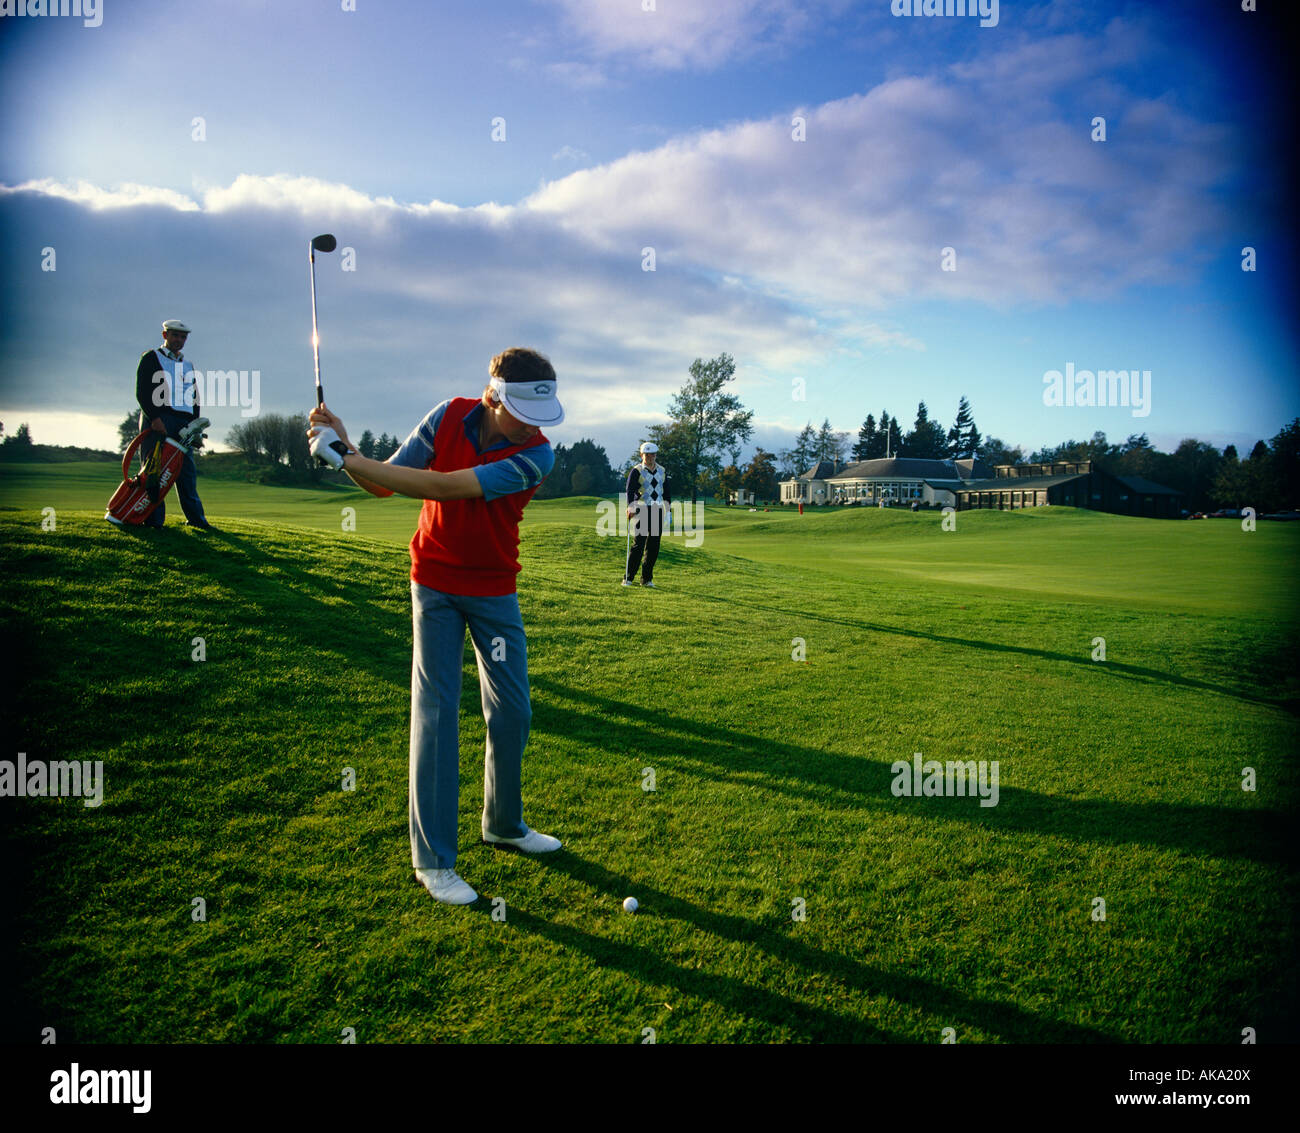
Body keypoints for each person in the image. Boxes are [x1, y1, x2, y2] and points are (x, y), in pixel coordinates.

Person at [307, 347, 564, 907]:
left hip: (495, 588)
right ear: (492, 394)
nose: (531, 424)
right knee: (437, 712)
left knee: (513, 709)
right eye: (522, 410)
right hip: (436, 583)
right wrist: (343, 442)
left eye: (539, 414)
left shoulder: (537, 456)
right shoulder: (447, 415)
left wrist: (343, 459)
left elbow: (445, 487)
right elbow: (384, 484)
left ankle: (503, 824)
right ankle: (433, 860)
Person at [134, 319, 214, 530]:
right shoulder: (151, 358)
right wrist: (155, 419)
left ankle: (197, 520)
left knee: (186, 472)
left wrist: (196, 427)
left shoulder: (188, 365)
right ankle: (153, 521)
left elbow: (194, 398)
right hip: (159, 419)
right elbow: (142, 392)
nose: (179, 340)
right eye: (175, 335)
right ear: (165, 336)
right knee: (155, 470)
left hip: (184, 423)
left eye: (183, 337)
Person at [623, 442, 670, 588]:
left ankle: (646, 579)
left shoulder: (662, 470)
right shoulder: (636, 470)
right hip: (642, 510)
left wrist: (668, 511)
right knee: (639, 545)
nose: (650, 457)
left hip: (658, 510)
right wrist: (630, 507)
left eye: (653, 454)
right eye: (647, 455)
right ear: (642, 455)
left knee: (653, 546)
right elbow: (630, 490)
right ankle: (628, 578)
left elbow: (667, 492)